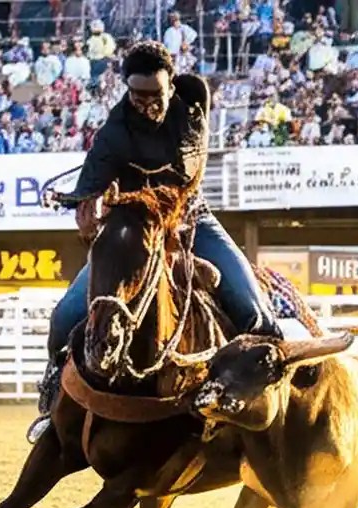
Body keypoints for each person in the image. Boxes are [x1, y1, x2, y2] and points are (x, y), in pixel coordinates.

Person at [28, 41, 281, 442]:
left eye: (156, 95)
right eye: (138, 95)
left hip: (190, 221)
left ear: (171, 87)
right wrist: (85, 206)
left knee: (257, 314)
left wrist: (125, 198)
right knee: (63, 318)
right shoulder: (113, 131)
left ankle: (245, 397)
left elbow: (185, 176)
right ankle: (52, 398)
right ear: (126, 90)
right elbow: (89, 187)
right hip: (136, 235)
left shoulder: (192, 104)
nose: (148, 104)